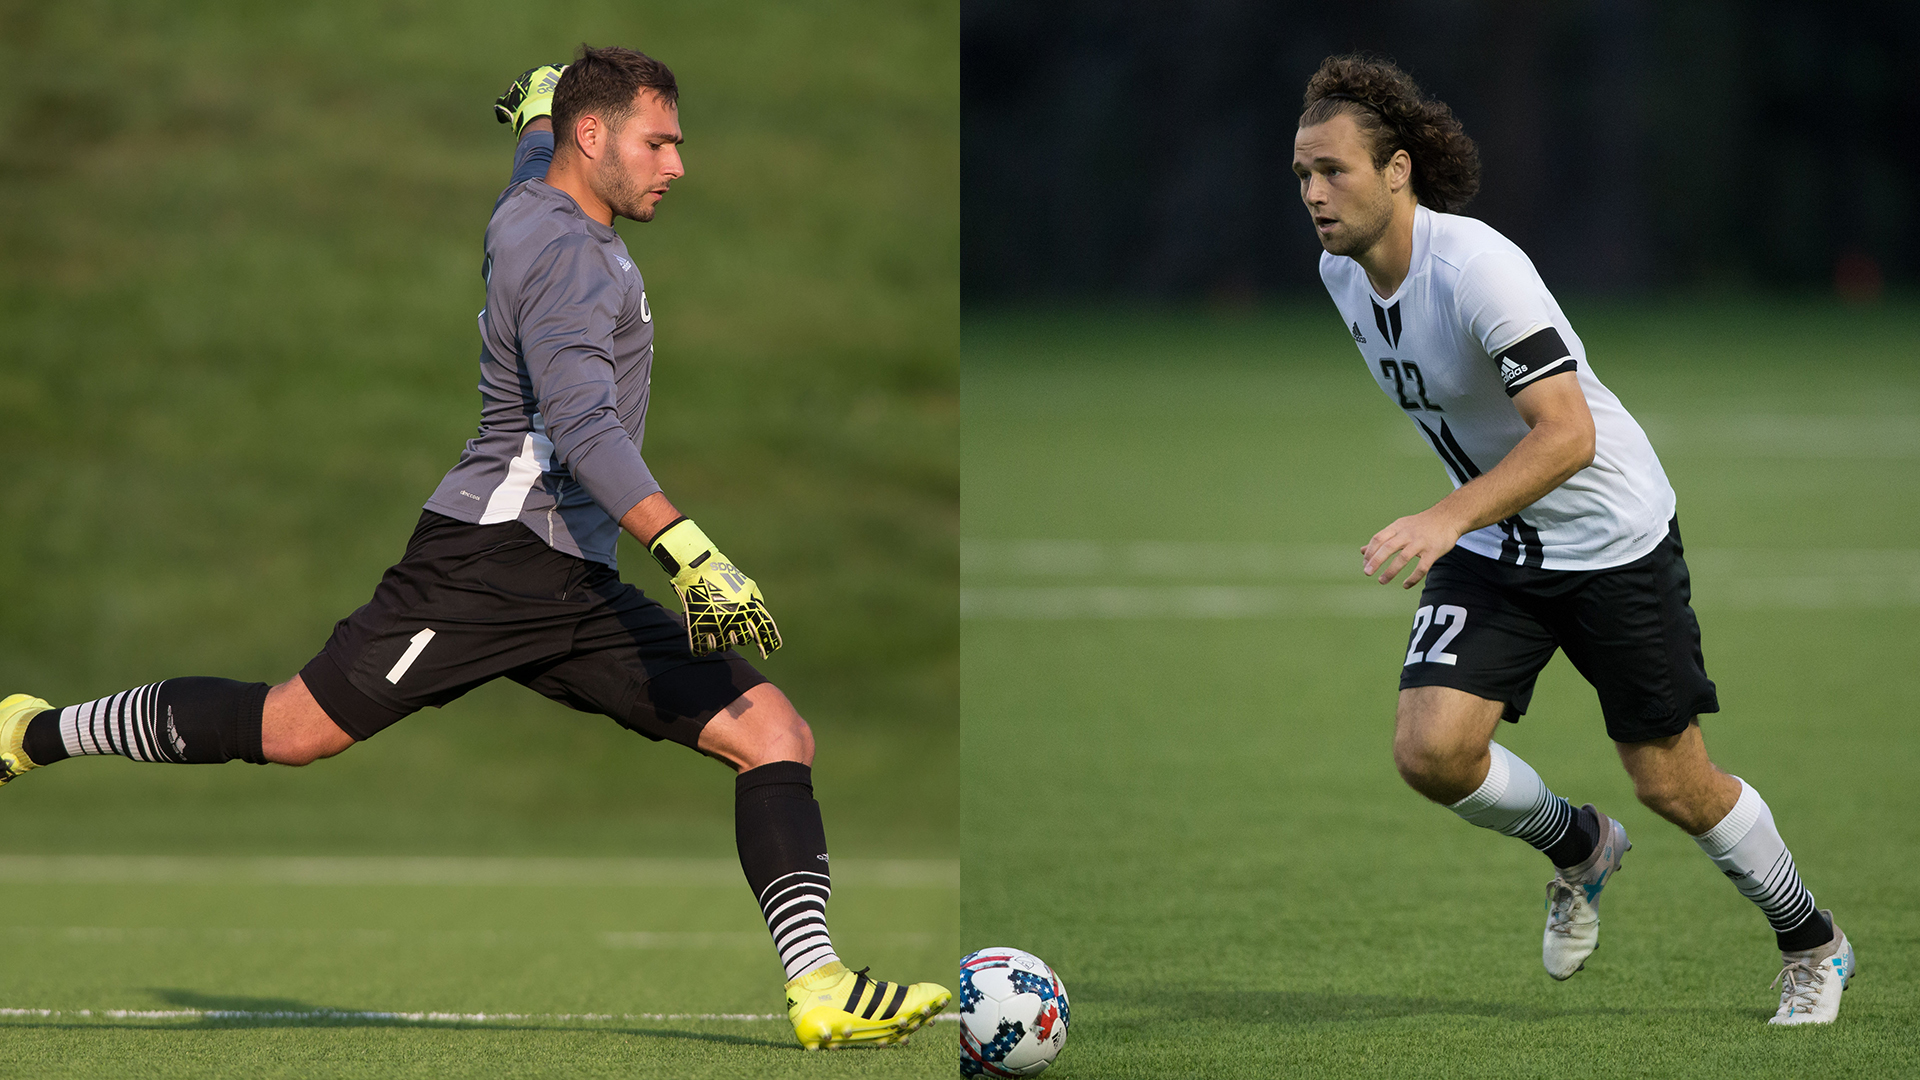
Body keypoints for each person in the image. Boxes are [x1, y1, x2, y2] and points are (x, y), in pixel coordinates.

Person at [0, 47, 949, 1050]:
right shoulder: (572, 259)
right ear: (596, 138)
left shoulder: (534, 204)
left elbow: (533, 157)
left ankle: (820, 987)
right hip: (487, 563)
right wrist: (690, 551)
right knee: (293, 729)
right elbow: (584, 434)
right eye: (659, 142)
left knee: (771, 732)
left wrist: (535, 116)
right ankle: (35, 730)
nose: (677, 165)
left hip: (571, 579)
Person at [1291, 54, 1851, 1025]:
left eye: (1332, 169)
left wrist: (1444, 515)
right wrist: (1466, 514)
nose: (1313, 192)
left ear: (1398, 170)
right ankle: (1580, 846)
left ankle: (1815, 943)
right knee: (1431, 752)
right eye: (1301, 173)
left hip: (1608, 539)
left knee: (1673, 780)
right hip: (1502, 539)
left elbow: (1569, 434)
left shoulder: (1478, 270)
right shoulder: (1341, 275)